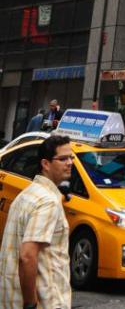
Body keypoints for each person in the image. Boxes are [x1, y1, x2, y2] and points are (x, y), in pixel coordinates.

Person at [0, 132, 73, 309]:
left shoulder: (25, 196)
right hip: (46, 302)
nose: (70, 163)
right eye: (63, 159)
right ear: (45, 164)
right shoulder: (47, 202)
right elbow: (27, 254)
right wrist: (31, 304)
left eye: (71, 157)